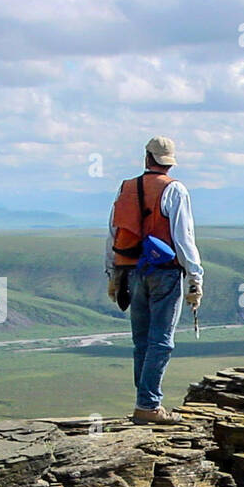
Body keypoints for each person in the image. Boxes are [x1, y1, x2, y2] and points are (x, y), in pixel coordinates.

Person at [105, 135, 203, 425]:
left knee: (142, 341)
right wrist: (195, 277)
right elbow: (184, 238)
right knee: (161, 341)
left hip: (131, 271)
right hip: (165, 272)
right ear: (167, 163)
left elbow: (113, 234)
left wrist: (112, 274)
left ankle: (143, 402)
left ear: (146, 158)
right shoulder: (175, 190)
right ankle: (148, 405)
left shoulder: (125, 188)